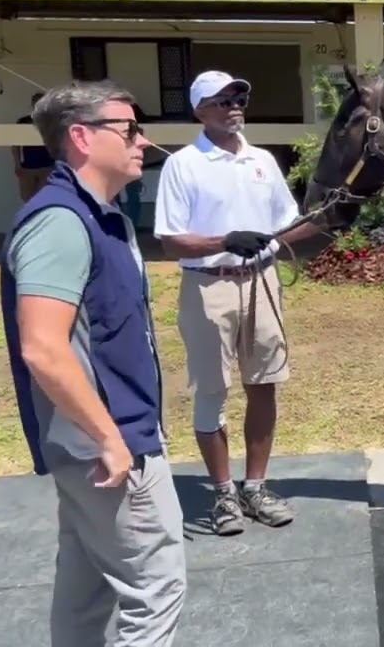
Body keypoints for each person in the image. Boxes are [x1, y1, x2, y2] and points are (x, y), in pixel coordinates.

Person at [0, 80, 186, 646]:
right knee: (156, 590)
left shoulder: (105, 218)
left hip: (99, 440)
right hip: (105, 445)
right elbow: (43, 348)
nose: (143, 141)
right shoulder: (60, 221)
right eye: (128, 129)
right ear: (81, 137)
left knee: (85, 593)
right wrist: (111, 438)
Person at [152, 70, 321, 536]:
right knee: (212, 390)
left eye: (239, 97)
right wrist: (224, 241)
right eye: (222, 100)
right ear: (199, 110)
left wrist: (336, 216)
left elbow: (288, 224)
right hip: (209, 287)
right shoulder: (183, 165)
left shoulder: (262, 161)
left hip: (262, 282)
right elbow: (171, 242)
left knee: (264, 383)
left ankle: (256, 486)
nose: (234, 106)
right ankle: (223, 492)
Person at [13, 91, 58, 201]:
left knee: (46, 198)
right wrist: (18, 165)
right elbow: (15, 144)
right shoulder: (23, 122)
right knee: (27, 199)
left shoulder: (51, 121)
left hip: (47, 166)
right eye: (36, 102)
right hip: (28, 167)